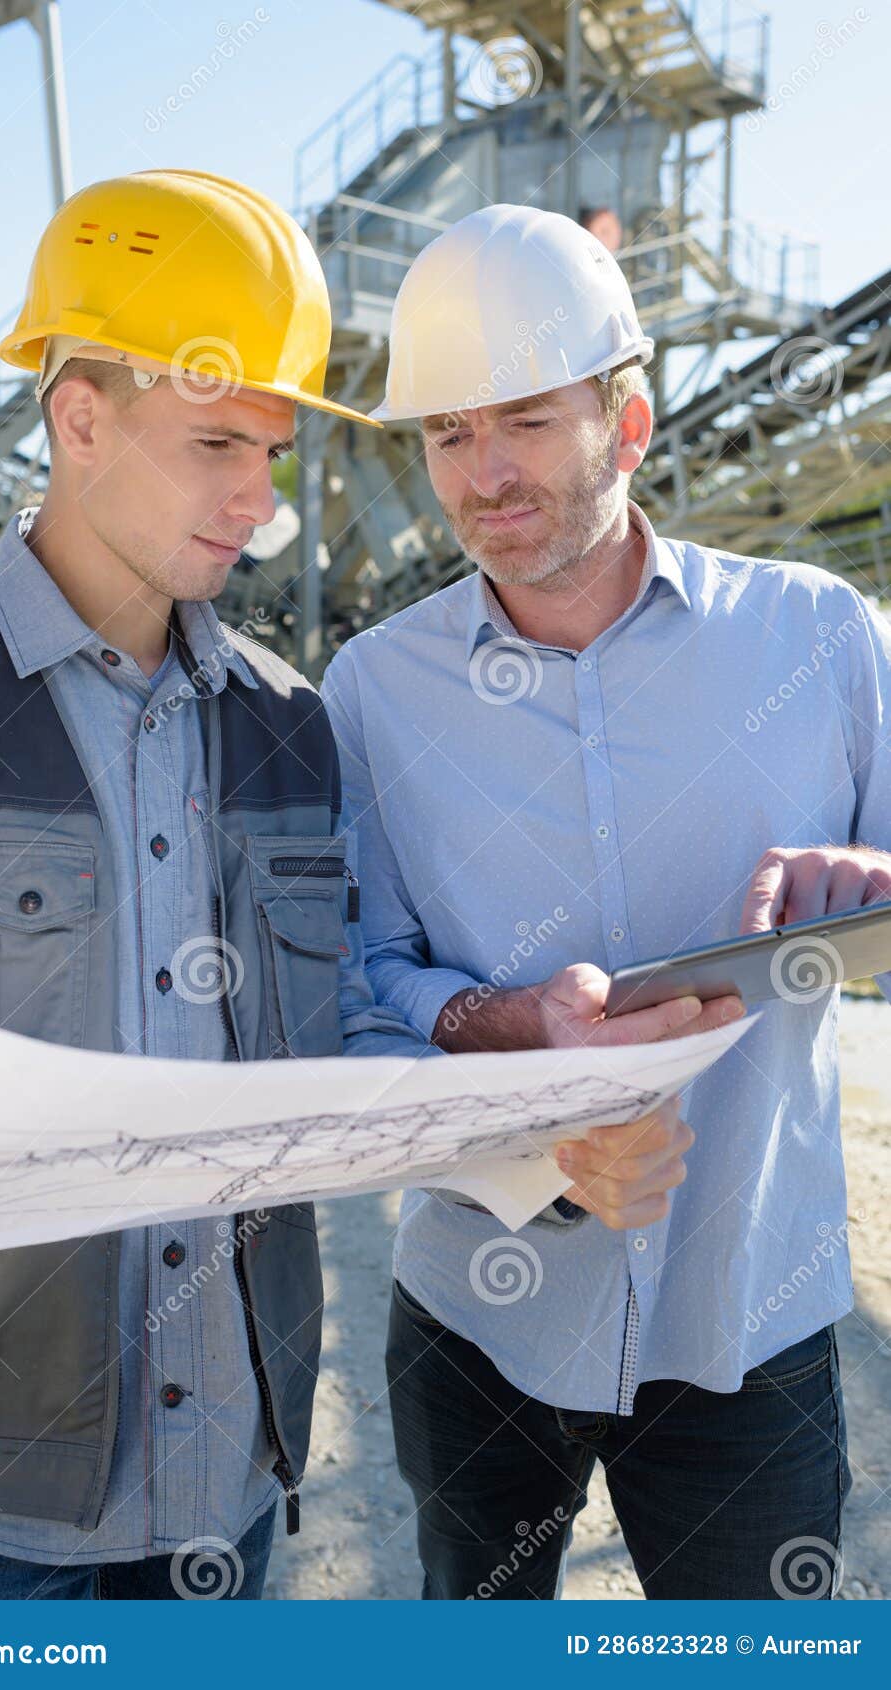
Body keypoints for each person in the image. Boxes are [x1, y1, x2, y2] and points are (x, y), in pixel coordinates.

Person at [0, 168, 429, 1601]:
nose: (259, 500)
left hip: (235, 1486)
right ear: (78, 416)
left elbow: (340, 1035)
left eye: (274, 452)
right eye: (217, 440)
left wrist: (521, 1073)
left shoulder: (292, 723)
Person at [320, 203, 891, 1600]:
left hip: (746, 1312)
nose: (482, 473)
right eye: (447, 433)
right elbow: (359, 981)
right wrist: (512, 1037)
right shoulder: (372, 695)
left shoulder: (817, 636)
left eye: (525, 418)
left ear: (628, 425)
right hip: (480, 1320)